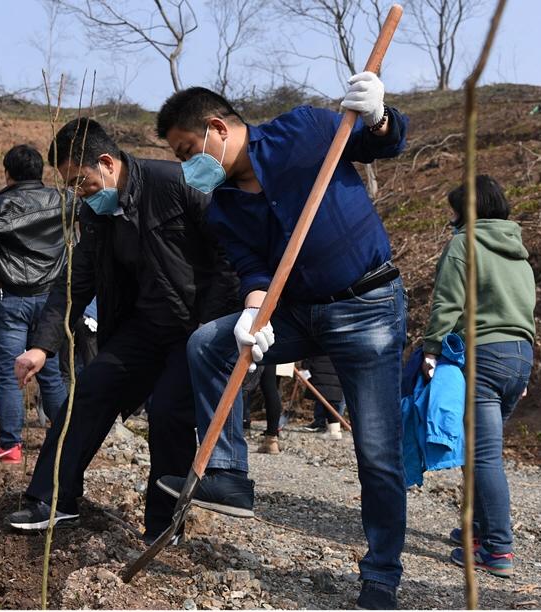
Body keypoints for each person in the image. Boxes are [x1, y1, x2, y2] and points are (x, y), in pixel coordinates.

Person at [155, 73, 409, 609]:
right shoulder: (222, 205)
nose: (185, 165)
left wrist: (379, 116)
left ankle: (382, 573)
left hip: (367, 306)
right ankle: (228, 474)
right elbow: (251, 267)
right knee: (209, 343)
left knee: (378, 450)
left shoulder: (306, 129)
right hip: (295, 313)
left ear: (217, 129)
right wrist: (252, 309)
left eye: (186, 150)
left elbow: (381, 143)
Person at [7, 118, 240, 543]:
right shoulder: (95, 215)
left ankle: (163, 526)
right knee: (91, 388)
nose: (79, 192)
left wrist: (215, 323)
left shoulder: (173, 184)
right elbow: (75, 283)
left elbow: (229, 250)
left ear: (108, 163)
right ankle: (53, 500)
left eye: (82, 181)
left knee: (169, 411)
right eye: (71, 185)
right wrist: (42, 346)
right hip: (143, 327)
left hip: (195, 327)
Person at [421, 175, 535, 578]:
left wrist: (431, 348)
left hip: (484, 355)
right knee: (480, 449)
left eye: (454, 211)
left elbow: (448, 303)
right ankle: (477, 531)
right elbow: (525, 311)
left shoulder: (462, 245)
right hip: (521, 355)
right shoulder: (517, 252)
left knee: (482, 456)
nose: (451, 219)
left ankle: (498, 549)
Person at [0, 144, 70, 464]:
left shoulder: (1, 206)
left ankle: (10, 446)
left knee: (9, 374)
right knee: (50, 374)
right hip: (51, 300)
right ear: (40, 172)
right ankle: (64, 441)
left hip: (10, 299)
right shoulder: (62, 200)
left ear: (8, 174)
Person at [300, 356, 347, 440]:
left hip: (321, 363)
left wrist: (305, 366)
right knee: (331, 396)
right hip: (336, 364)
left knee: (327, 396)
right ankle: (333, 429)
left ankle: (333, 431)